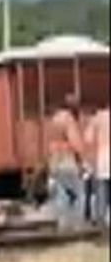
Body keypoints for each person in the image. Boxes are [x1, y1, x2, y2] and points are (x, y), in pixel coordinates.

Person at [46, 93, 87, 226]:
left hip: (54, 163)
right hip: (67, 163)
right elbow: (76, 144)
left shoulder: (54, 118)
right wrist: (83, 160)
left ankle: (62, 225)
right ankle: (77, 225)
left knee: (61, 196)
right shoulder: (68, 119)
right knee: (80, 195)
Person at [90, 106, 110, 228]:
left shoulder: (98, 117)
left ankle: (101, 221)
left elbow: (88, 138)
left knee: (102, 190)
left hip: (103, 156)